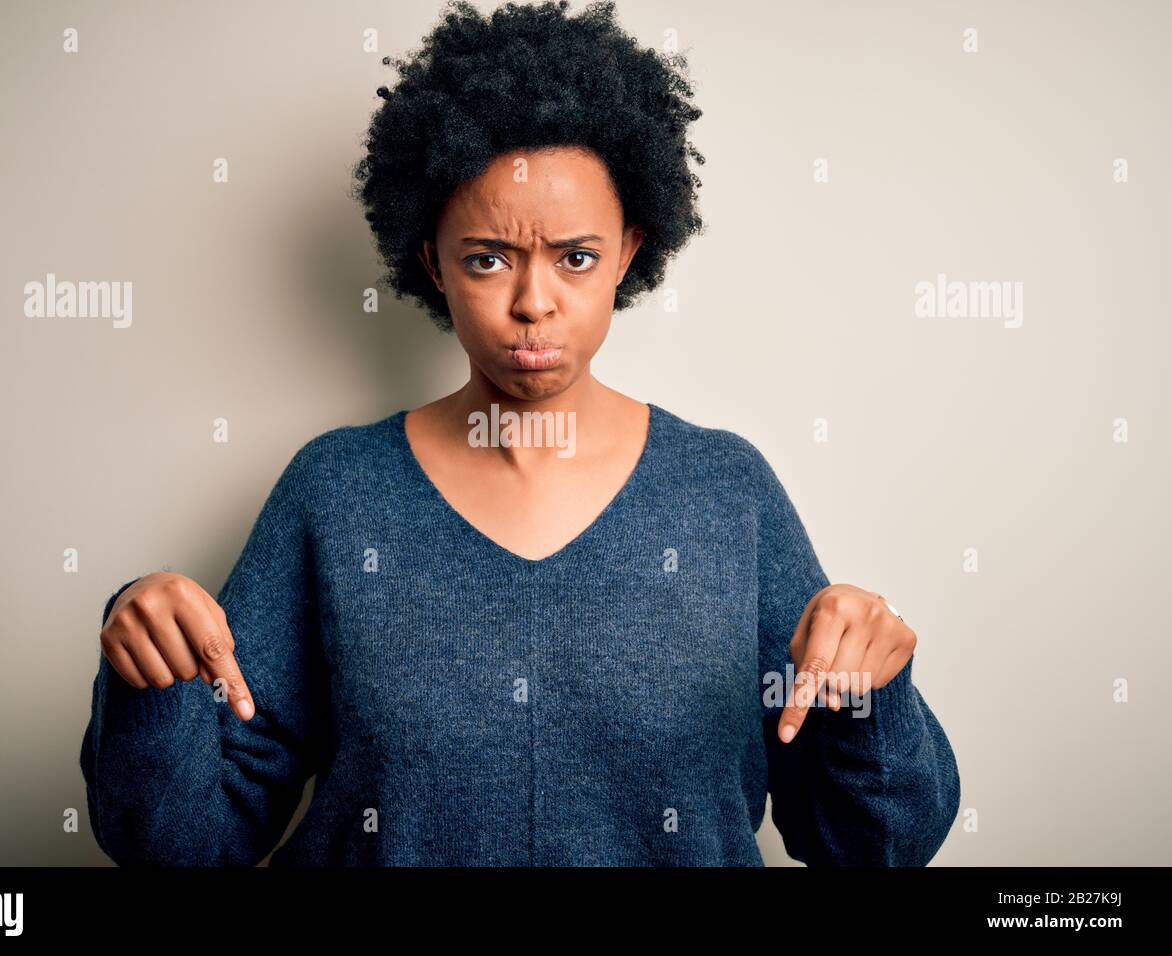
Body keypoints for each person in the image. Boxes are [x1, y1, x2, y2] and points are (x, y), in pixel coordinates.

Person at [79, 0, 959, 866]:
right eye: (488, 257)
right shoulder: (336, 492)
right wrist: (153, 678)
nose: (533, 301)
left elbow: (870, 847)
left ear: (626, 252)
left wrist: (867, 694)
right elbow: (185, 846)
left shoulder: (726, 491)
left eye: (575, 257)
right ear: (432, 261)